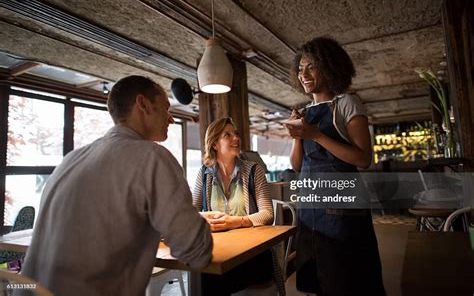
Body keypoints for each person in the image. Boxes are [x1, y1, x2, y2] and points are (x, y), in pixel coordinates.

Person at [17, 76, 213, 296]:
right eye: (166, 108)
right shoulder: (152, 157)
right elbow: (197, 252)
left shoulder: (71, 159)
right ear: (143, 104)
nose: (171, 119)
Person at [284, 37, 386, 296]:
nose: (303, 74)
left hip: (343, 208)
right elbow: (297, 165)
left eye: (312, 66)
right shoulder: (305, 112)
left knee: (348, 280)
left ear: (330, 67)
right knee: (316, 279)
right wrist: (298, 135)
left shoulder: (347, 103)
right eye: (300, 68)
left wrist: (316, 134)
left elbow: (364, 159)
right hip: (310, 206)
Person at [192, 117, 276, 295]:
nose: (236, 138)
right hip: (218, 250)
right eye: (227, 135)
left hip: (251, 252)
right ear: (214, 144)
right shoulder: (204, 173)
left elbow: (268, 214)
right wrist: (203, 217)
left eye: (236, 134)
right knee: (203, 276)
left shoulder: (254, 170)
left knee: (213, 280)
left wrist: (235, 222)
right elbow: (191, 212)